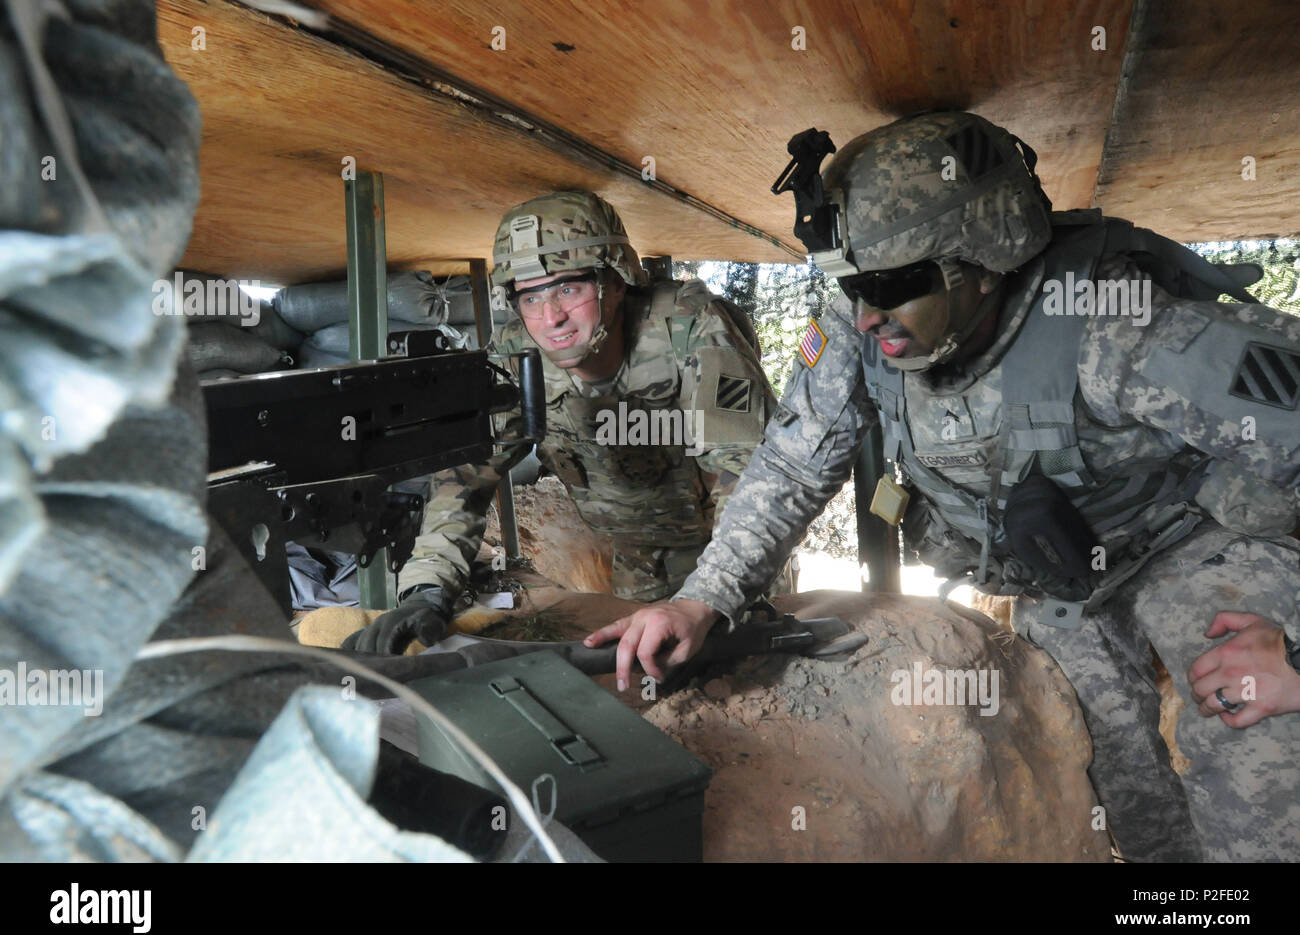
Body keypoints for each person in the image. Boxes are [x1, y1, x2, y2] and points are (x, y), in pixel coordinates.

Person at [587, 111, 1300, 862]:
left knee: (1255, 737)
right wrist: (703, 597)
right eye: (847, 284)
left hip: (1186, 540)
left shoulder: (1114, 328)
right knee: (1115, 778)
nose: (865, 316)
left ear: (985, 258)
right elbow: (794, 463)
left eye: (893, 286)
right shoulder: (864, 324)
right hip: (1060, 578)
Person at [345, 190, 786, 654]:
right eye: (531, 297)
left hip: (734, 552)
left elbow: (752, 474)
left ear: (616, 282)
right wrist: (427, 590)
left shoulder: (687, 327)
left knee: (749, 673)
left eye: (568, 289)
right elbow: (465, 478)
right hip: (636, 558)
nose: (551, 317)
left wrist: (715, 596)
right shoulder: (518, 355)